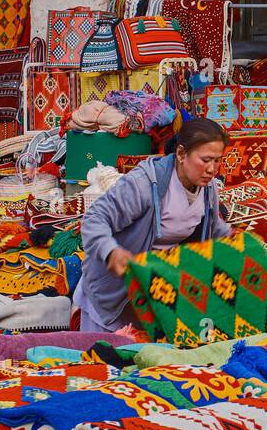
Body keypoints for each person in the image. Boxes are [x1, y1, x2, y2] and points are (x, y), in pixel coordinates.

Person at [75, 118, 231, 332]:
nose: (213, 169)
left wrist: (238, 241)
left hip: (153, 294)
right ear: (181, 154)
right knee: (101, 360)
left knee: (145, 361)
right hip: (113, 291)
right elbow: (95, 218)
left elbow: (212, 227)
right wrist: (110, 251)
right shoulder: (145, 183)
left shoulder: (208, 188)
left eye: (217, 160)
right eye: (206, 160)